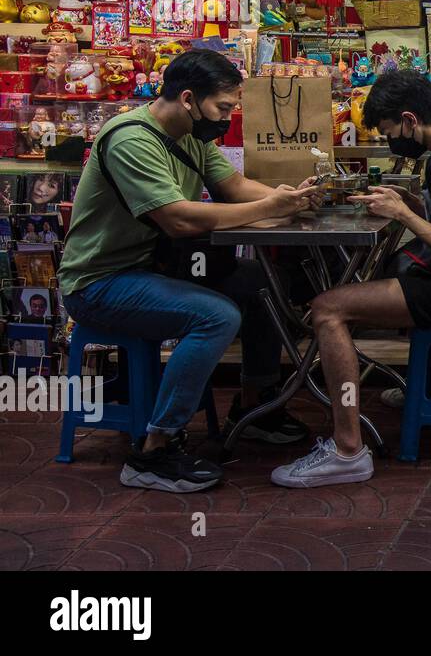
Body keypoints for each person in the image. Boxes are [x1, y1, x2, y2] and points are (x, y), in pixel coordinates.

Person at [59, 49, 320, 493]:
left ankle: (256, 408)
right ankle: (154, 450)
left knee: (260, 284)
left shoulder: (191, 134)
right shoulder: (131, 140)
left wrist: (291, 199)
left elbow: (232, 187)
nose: (227, 117)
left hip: (157, 267)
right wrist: (269, 207)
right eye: (223, 108)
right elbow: (177, 219)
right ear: (186, 98)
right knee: (216, 314)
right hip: (101, 282)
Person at [270, 70, 431, 488]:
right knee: (383, 276)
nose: (392, 140)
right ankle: (424, 390)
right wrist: (412, 203)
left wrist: (404, 215)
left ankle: (347, 450)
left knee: (327, 308)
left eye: (391, 130)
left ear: (410, 120)